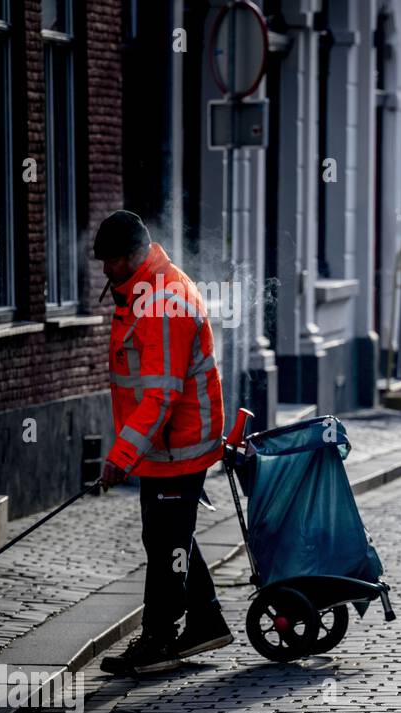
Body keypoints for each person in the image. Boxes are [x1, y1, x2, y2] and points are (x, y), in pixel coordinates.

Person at [93, 210, 234, 676]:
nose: (105, 269)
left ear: (135, 254)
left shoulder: (163, 302)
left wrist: (120, 455)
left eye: (112, 259)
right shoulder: (140, 293)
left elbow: (162, 393)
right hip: (162, 447)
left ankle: (159, 637)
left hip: (179, 445)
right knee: (165, 536)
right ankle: (207, 620)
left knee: (166, 538)